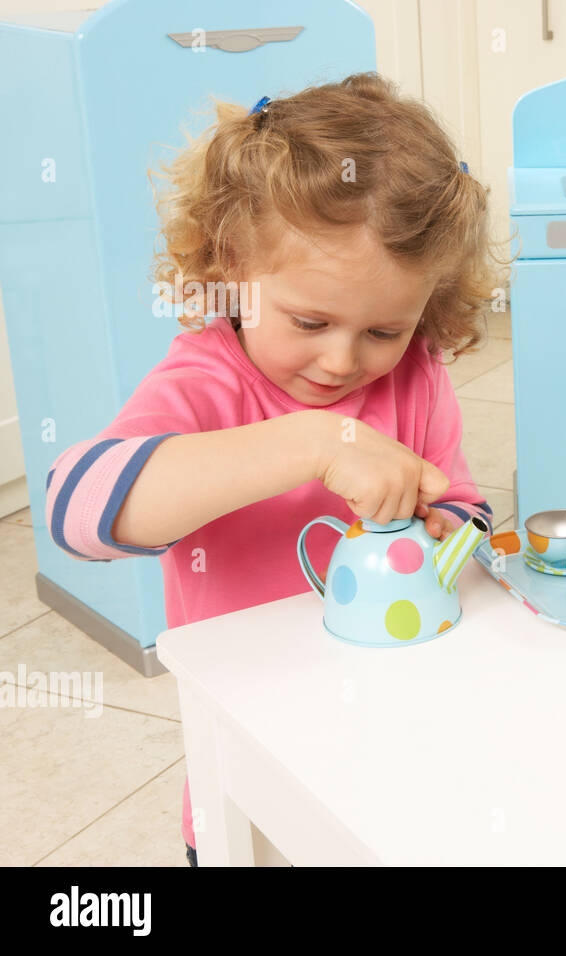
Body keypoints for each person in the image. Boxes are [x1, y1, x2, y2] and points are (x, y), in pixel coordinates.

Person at [45, 74, 502, 866]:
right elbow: (75, 509)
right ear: (232, 269)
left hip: (395, 738)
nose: (341, 361)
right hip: (251, 756)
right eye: (310, 321)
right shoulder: (207, 380)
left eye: (383, 330)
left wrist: (444, 530)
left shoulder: (415, 376)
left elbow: (464, 508)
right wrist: (310, 444)